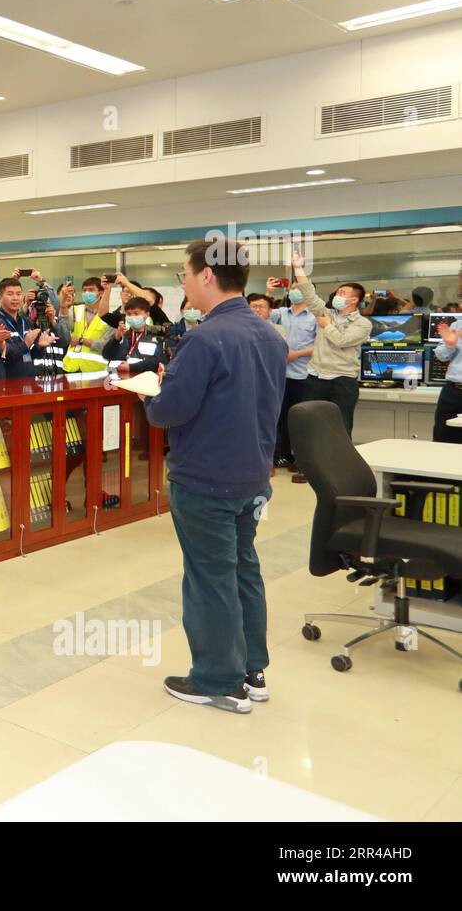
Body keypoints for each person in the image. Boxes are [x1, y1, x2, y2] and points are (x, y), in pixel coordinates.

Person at [144, 239, 286, 714]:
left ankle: (216, 680)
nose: (182, 282)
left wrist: (152, 392)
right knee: (243, 567)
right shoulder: (268, 335)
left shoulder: (206, 337)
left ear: (207, 276)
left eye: (185, 273)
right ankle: (251, 669)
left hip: (206, 480)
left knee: (209, 577)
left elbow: (170, 411)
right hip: (251, 476)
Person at [290, 258, 372, 437]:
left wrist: (326, 325)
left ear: (354, 300)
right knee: (309, 427)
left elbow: (342, 340)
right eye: (338, 292)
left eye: (342, 292)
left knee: (340, 428)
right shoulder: (325, 312)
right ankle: (310, 464)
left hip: (342, 381)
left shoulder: (363, 324)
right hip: (315, 378)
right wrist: (298, 268)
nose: (337, 295)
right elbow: (309, 295)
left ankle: (339, 464)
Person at [266, 279, 317, 476]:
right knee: (280, 418)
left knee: (301, 419)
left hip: (303, 374)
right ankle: (283, 455)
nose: (295, 291)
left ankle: (302, 459)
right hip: (279, 375)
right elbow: (263, 319)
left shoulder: (314, 317)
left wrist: (297, 354)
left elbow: (319, 344)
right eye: (292, 288)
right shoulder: (281, 313)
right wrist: (269, 292)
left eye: (299, 288)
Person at [0, 277, 51, 379]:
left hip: (29, 378)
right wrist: (26, 343)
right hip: (7, 380)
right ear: (0, 297)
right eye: (10, 294)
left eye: (19, 294)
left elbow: (33, 354)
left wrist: (40, 346)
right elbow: (7, 354)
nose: (15, 298)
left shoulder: (26, 321)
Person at [103, 296, 166, 375]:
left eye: (136, 313)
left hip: (144, 380)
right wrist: (116, 339)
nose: (132, 317)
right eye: (129, 314)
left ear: (147, 314)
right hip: (120, 380)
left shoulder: (156, 335)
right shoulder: (123, 335)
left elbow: (158, 362)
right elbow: (106, 355)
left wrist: (132, 367)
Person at [61, 276, 112, 372]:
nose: (87, 293)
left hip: (96, 370)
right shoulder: (75, 309)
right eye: (84, 290)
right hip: (70, 368)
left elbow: (107, 346)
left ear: (100, 293)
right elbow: (63, 330)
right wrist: (63, 301)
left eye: (91, 290)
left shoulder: (110, 316)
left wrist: (82, 340)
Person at [432, 317, 462, 443]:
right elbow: (440, 355)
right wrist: (450, 345)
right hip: (453, 390)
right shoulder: (457, 325)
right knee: (443, 437)